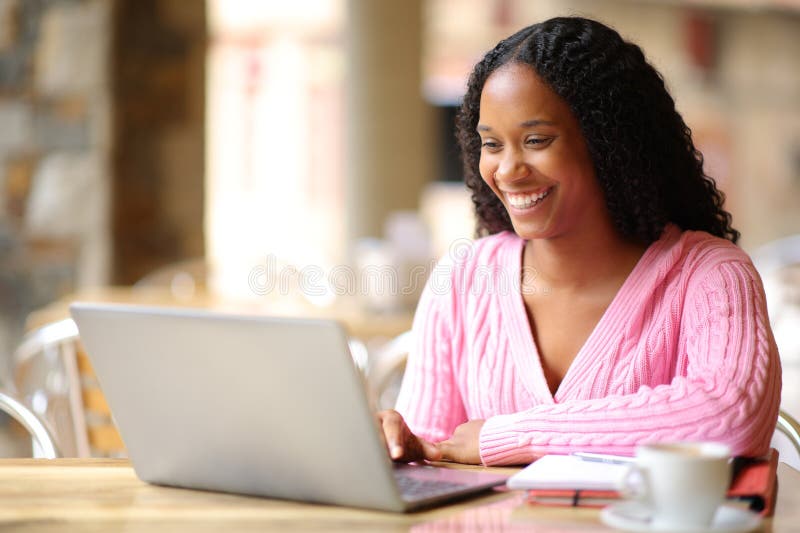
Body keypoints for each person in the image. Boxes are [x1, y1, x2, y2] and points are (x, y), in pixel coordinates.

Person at [378, 16, 782, 466]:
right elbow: (430, 456)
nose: (508, 170)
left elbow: (731, 417)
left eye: (536, 140)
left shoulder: (711, 275)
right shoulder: (463, 277)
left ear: (608, 142)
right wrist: (399, 446)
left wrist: (511, 435)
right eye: (492, 144)